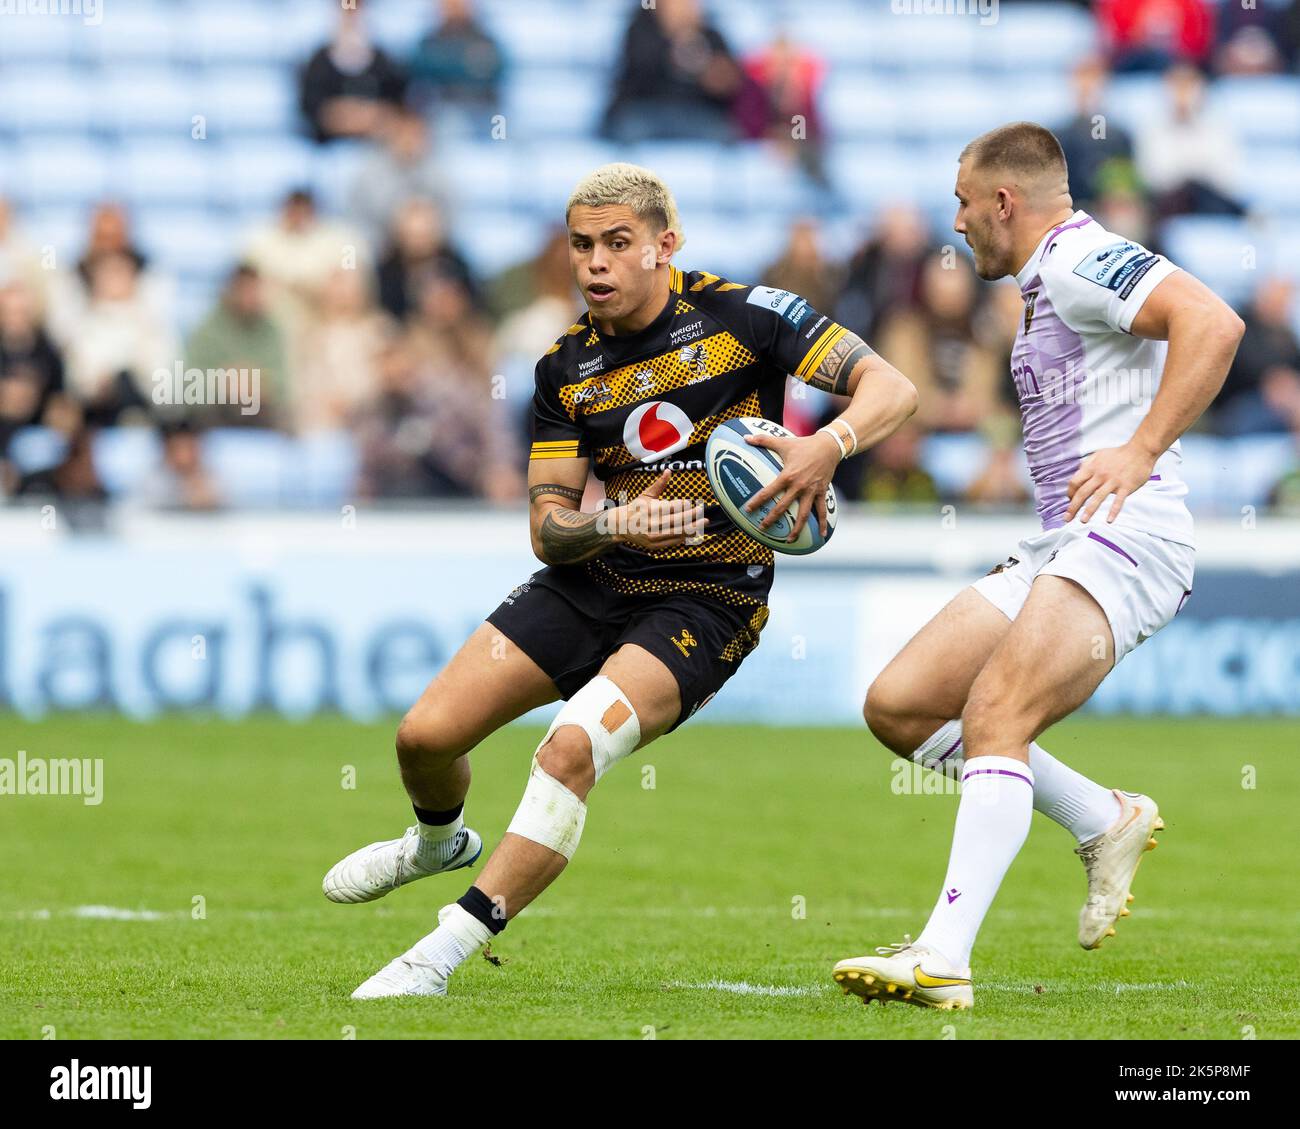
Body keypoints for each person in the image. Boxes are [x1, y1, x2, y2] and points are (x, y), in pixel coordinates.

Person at [323, 162, 918, 999]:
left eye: (617, 243)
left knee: (571, 746)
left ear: (664, 246)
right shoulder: (564, 368)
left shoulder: (747, 317)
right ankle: (436, 844)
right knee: (423, 736)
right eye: (581, 245)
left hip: (709, 597)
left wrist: (828, 446)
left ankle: (439, 954)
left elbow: (893, 386)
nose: (594, 263)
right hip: (598, 576)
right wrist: (610, 522)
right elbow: (545, 525)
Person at [833, 122, 1243, 1010]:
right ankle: (1104, 816)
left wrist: (1138, 451)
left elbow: (1213, 322)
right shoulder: (1043, 283)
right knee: (901, 705)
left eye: (963, 203)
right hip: (1065, 538)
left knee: (995, 714)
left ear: (1004, 202)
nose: (956, 222)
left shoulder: (1075, 259)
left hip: (1129, 532)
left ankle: (942, 955)